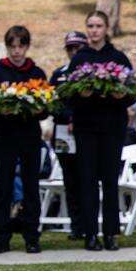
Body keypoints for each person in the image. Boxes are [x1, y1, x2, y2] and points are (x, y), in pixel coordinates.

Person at [66, 10, 134, 251]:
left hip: (112, 127)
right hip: (86, 127)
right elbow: (67, 96)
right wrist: (79, 94)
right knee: (87, 181)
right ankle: (90, 234)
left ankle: (110, 234)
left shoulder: (118, 58)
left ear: (106, 29)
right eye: (90, 26)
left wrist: (121, 95)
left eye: (98, 26)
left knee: (109, 181)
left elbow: (132, 92)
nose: (94, 30)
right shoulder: (79, 59)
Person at [0, 26, 47, 254]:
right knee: (2, 186)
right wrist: (3, 110)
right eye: (12, 46)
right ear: (7, 47)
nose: (17, 51)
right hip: (5, 136)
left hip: (30, 136)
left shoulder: (37, 73)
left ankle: (32, 236)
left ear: (27, 46)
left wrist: (35, 109)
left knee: (31, 185)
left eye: (21, 46)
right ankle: (1, 236)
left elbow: (46, 109)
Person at [49, 31, 88, 240]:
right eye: (70, 48)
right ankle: (76, 225)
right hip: (63, 132)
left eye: (77, 48)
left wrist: (77, 119)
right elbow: (52, 103)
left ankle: (88, 223)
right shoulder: (59, 74)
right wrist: (67, 117)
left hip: (85, 131)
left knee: (86, 178)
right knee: (70, 180)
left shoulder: (91, 72)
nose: (73, 52)